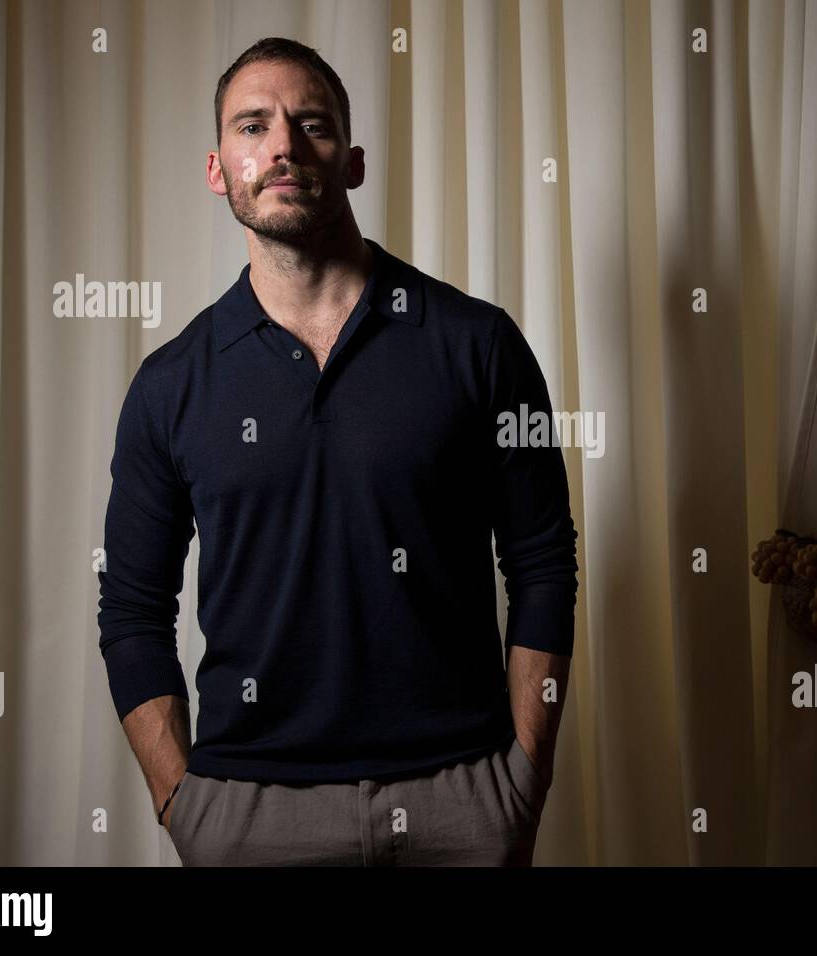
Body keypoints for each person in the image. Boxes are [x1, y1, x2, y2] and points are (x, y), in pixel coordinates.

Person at [97, 37, 578, 866]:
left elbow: (540, 564)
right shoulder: (170, 385)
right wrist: (183, 800)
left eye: (309, 123)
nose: (282, 143)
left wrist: (521, 778)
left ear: (352, 162)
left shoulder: (478, 345)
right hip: (249, 814)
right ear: (219, 169)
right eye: (253, 126)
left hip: (461, 799)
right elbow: (133, 608)